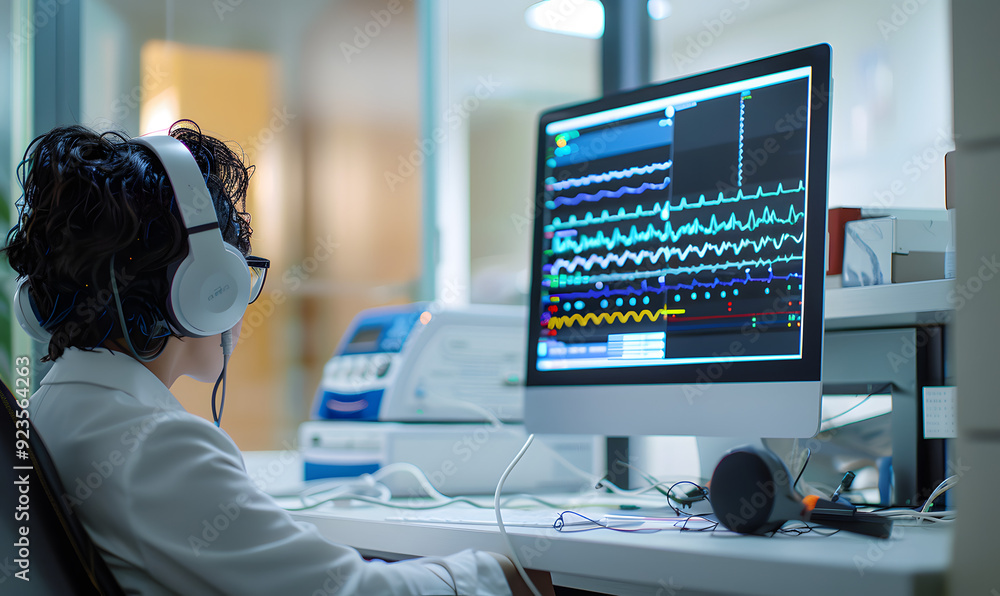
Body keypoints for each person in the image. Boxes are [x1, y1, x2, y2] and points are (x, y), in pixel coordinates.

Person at [4, 121, 552, 595]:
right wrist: (497, 574)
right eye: (235, 268)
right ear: (204, 285)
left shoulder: (52, 415)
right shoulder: (156, 447)